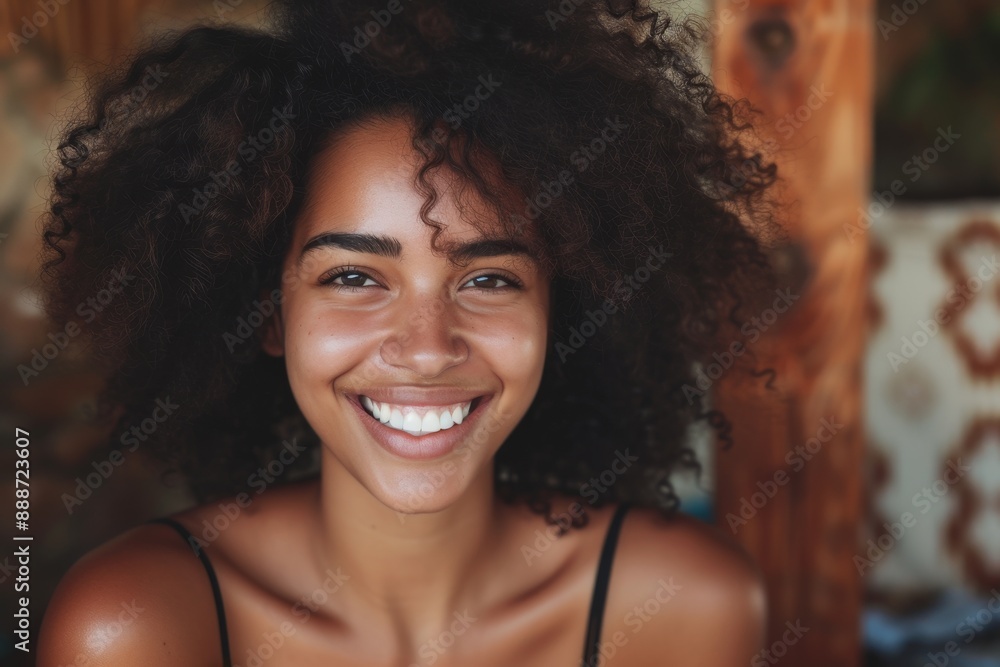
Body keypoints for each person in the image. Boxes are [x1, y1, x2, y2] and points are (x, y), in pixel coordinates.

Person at [37, 0, 783, 664]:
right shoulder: (138, 625)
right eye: (354, 277)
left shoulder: (680, 605)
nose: (427, 347)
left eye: (489, 279)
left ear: (561, 309)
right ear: (269, 312)